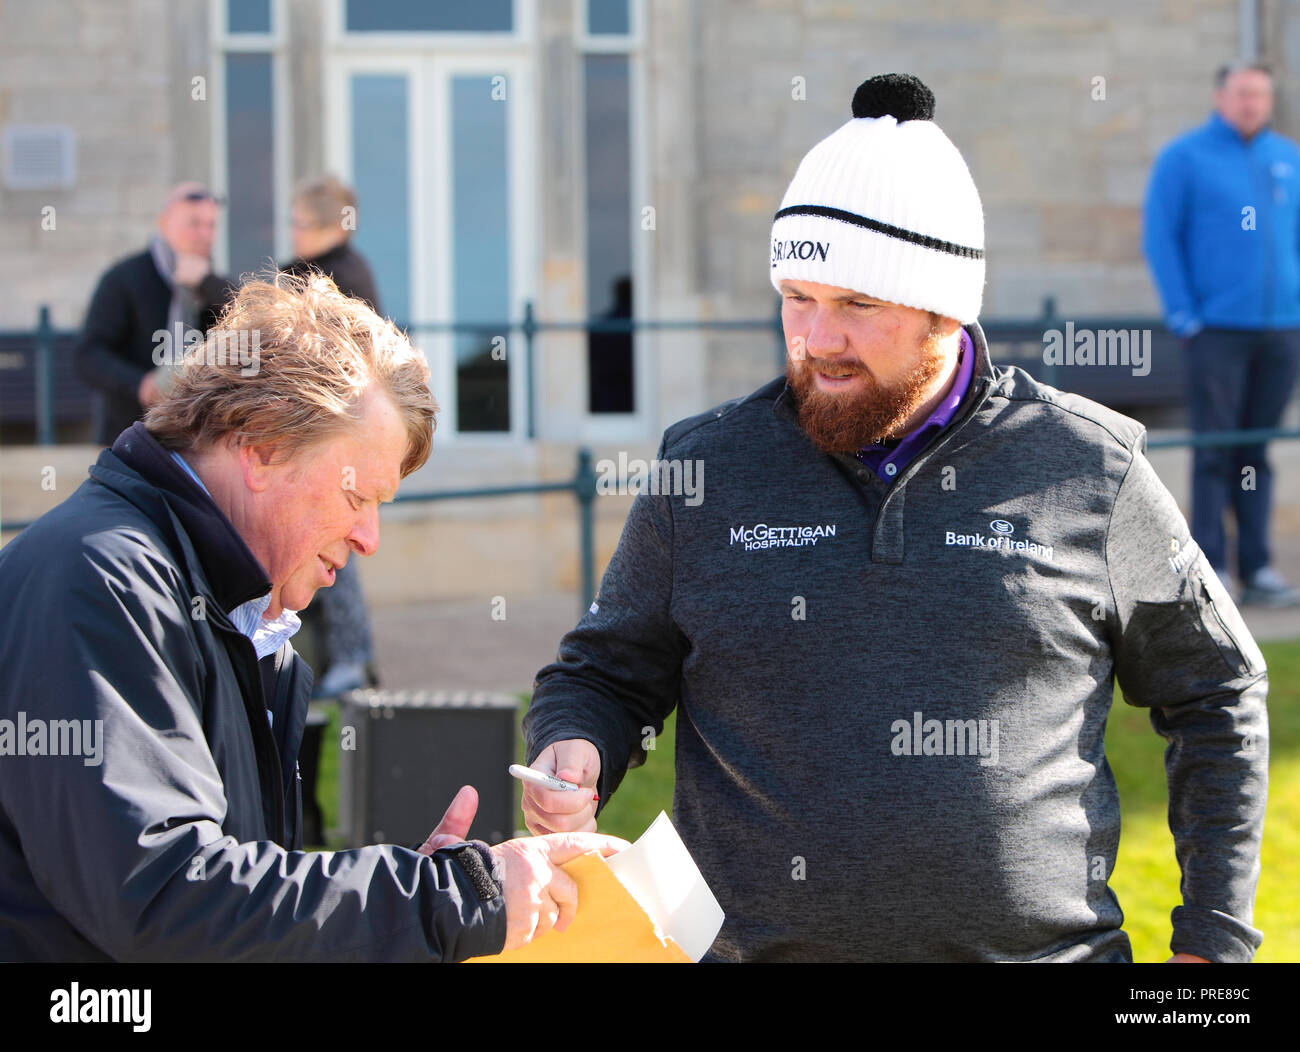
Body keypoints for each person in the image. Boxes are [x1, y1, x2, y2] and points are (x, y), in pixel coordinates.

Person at [520, 74, 1269, 963]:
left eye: (858, 304)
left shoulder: (1088, 464)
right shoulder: (706, 467)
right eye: (797, 296)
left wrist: (1214, 944)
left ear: (946, 308)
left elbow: (1217, 689)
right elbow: (607, 671)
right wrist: (576, 744)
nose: (817, 339)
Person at [0, 272, 624, 961]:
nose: (370, 538)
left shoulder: (236, 609)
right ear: (262, 446)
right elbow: (163, 900)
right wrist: (447, 900)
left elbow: (234, 913)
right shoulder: (96, 578)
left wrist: (405, 913)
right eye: (358, 495)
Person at [1143, 61, 1300, 606]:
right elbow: (1161, 238)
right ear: (1220, 96)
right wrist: (1185, 315)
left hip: (1281, 331)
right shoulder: (1185, 157)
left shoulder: (1287, 158)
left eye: (1260, 94)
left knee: (1257, 450)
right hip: (1216, 333)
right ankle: (1211, 567)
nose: (1252, 103)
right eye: (1242, 93)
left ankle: (1258, 567)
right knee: (1213, 449)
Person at [280, 175, 381, 701]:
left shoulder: (337, 278)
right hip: (330, 436)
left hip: (338, 438)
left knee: (336, 540)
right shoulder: (323, 272)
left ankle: (351, 657)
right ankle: (339, 657)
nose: (291, 233)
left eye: (298, 223)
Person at [75, 182, 236, 446]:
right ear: (164, 223)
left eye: (211, 225)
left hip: (198, 434)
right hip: (131, 432)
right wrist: (140, 383)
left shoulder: (213, 285)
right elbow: (89, 354)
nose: (204, 234)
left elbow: (250, 324)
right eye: (194, 223)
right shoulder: (125, 278)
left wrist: (206, 283)